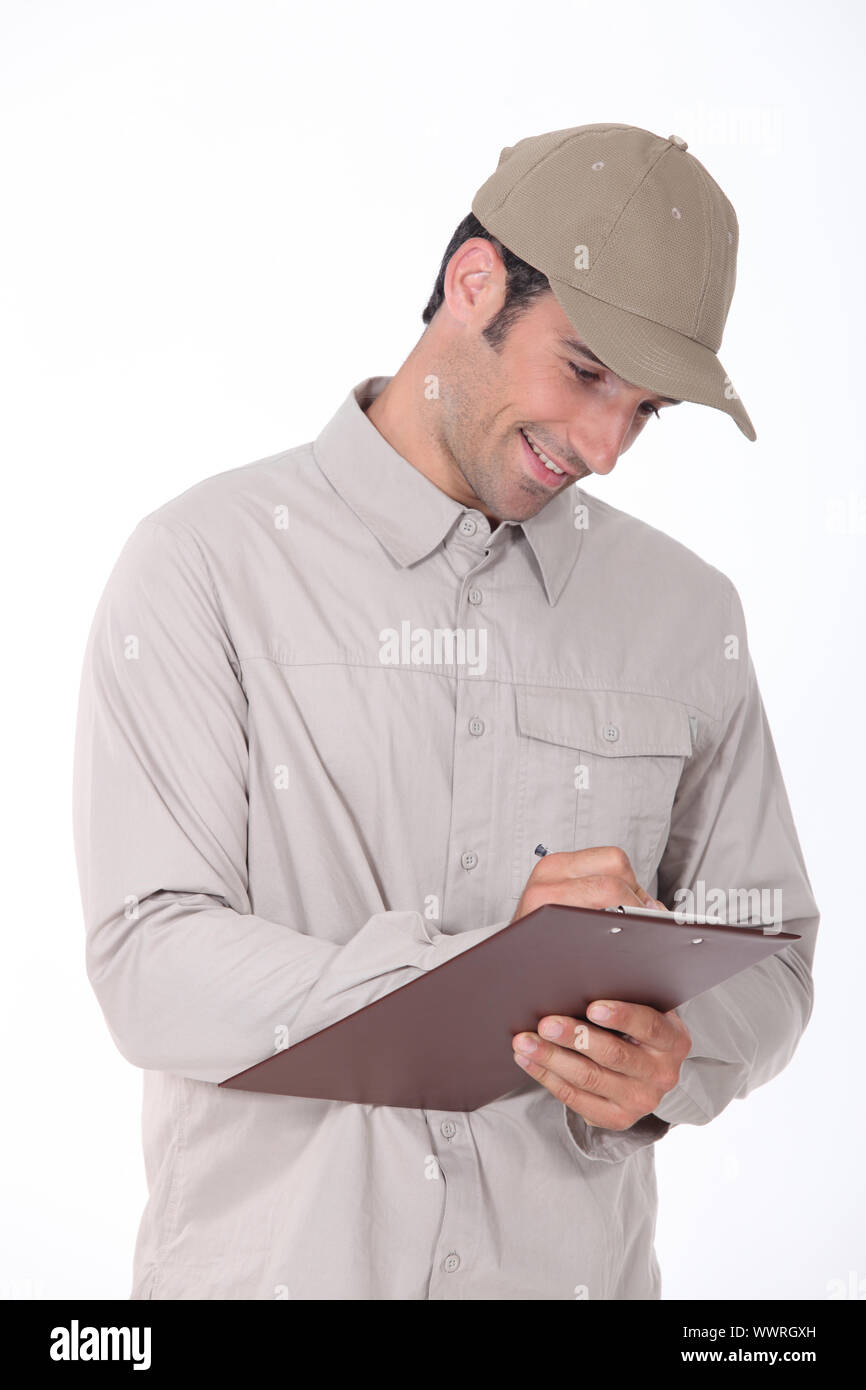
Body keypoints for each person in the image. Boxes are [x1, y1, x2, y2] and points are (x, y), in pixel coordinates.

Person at [72, 122, 819, 1300]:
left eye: (644, 412)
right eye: (583, 374)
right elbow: (150, 960)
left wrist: (670, 1066)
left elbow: (770, 968)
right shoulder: (201, 566)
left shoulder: (684, 615)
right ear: (474, 283)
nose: (604, 447)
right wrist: (479, 976)